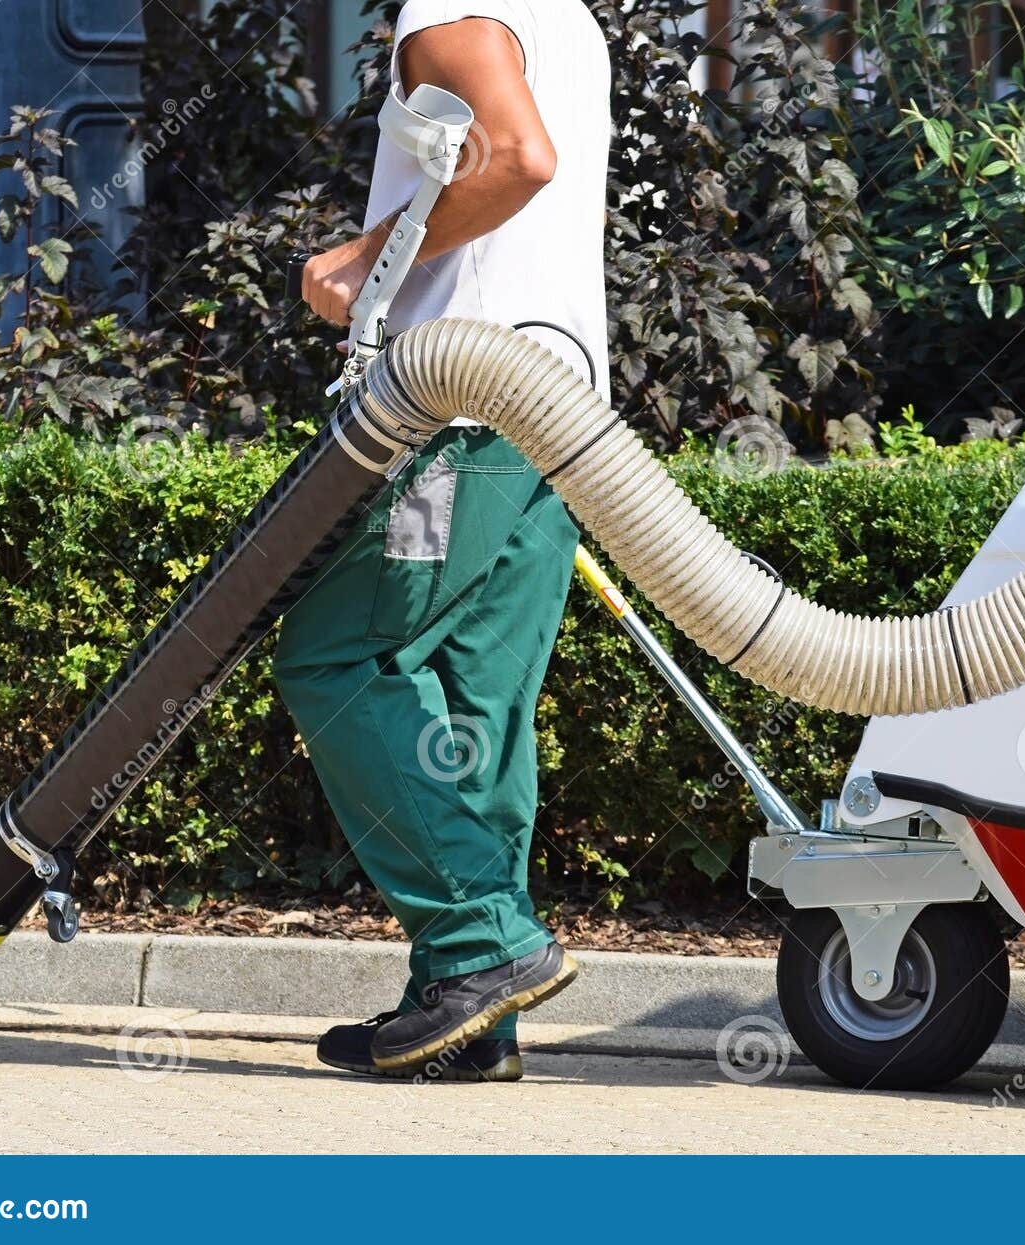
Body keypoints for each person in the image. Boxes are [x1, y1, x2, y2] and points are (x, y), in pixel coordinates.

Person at [273, 0, 612, 1082]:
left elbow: (518, 159)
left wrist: (359, 257)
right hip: (557, 412)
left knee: (340, 656)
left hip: (463, 404)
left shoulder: (450, 8)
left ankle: (480, 945)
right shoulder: (565, 17)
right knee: (475, 707)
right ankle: (466, 1013)